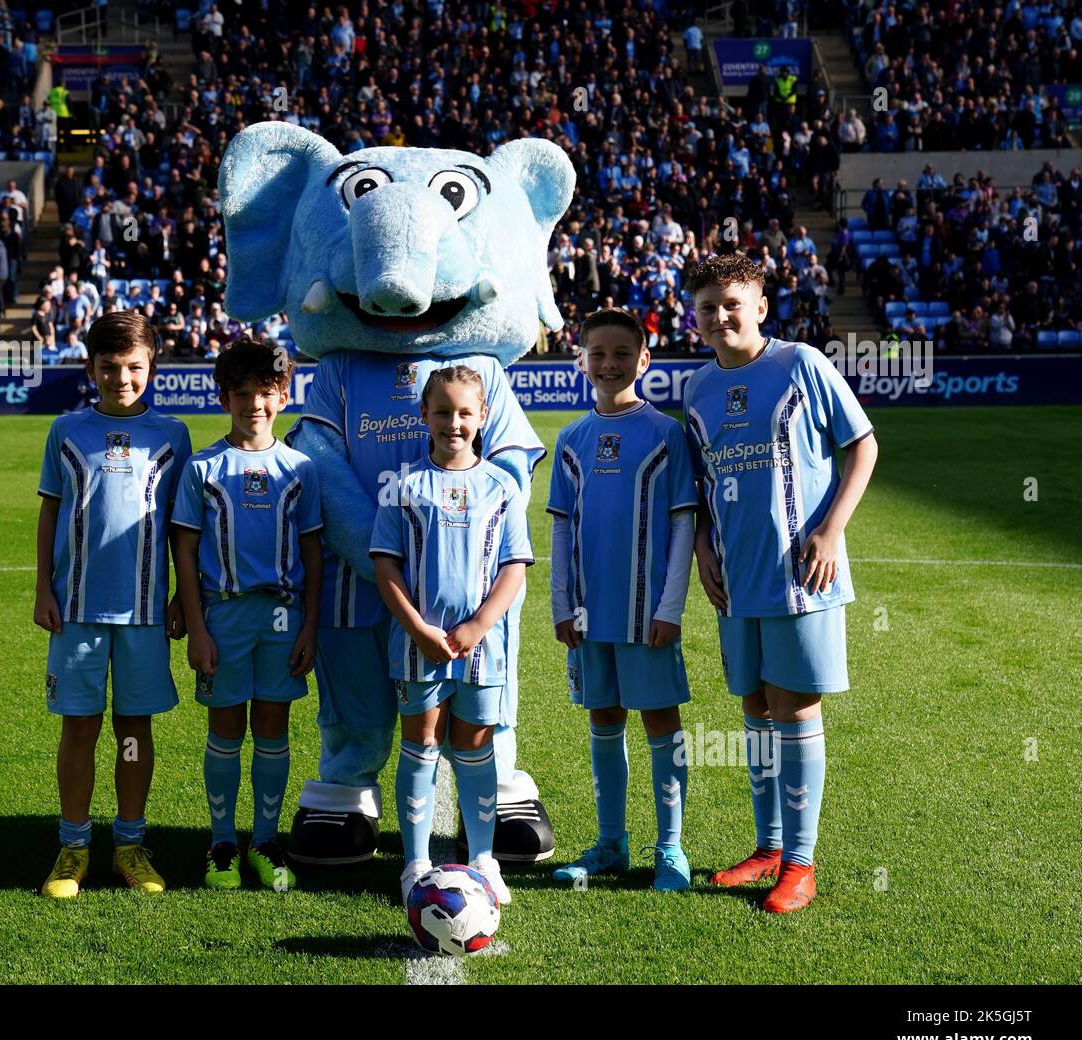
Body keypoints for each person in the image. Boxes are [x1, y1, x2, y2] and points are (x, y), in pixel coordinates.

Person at [682, 254, 878, 914]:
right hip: (737, 580)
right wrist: (705, 542)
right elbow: (704, 486)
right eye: (708, 307)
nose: (720, 316)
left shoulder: (801, 364)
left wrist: (832, 530)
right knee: (757, 710)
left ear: (760, 307)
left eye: (732, 304)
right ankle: (767, 847)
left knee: (795, 710)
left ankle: (800, 863)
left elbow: (864, 445)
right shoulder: (697, 390)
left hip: (801, 575)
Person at [34, 311, 193, 898]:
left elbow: (182, 526)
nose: (121, 378)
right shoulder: (65, 431)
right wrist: (41, 587)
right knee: (79, 728)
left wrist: (182, 594)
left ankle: (129, 844)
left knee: (132, 730)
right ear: (90, 368)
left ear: (151, 367)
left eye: (133, 367)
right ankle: (73, 847)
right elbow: (50, 510)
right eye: (108, 368)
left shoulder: (173, 435)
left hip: (146, 614)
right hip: (75, 608)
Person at [370, 366, 534, 906]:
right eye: (442, 411)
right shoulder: (403, 485)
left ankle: (484, 859)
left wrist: (479, 624)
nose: (454, 423)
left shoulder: (502, 485)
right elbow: (386, 567)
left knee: (475, 748)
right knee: (419, 745)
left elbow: (514, 567)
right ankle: (415, 862)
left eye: (465, 412)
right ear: (424, 415)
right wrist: (417, 628)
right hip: (420, 647)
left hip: (484, 648)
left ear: (483, 416)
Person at [547, 308, 696, 891]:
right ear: (582, 360)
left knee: (661, 722)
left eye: (620, 353)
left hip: (647, 614)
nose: (608, 363)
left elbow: (684, 523)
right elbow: (561, 527)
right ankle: (612, 844)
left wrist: (670, 607)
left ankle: (670, 850)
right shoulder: (571, 439)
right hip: (589, 613)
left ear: (644, 360)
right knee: (603, 720)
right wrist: (561, 603)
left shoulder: (666, 433)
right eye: (598, 353)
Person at [171, 339, 323, 891]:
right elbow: (184, 551)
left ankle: (264, 840)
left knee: (273, 726)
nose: (253, 404)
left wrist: (310, 623)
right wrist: (195, 625)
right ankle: (221, 844)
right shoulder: (202, 468)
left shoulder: (300, 468)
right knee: (226, 725)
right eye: (241, 394)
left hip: (283, 617)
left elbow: (312, 551)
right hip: (224, 616)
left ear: (283, 396)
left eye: (264, 393)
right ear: (223, 398)